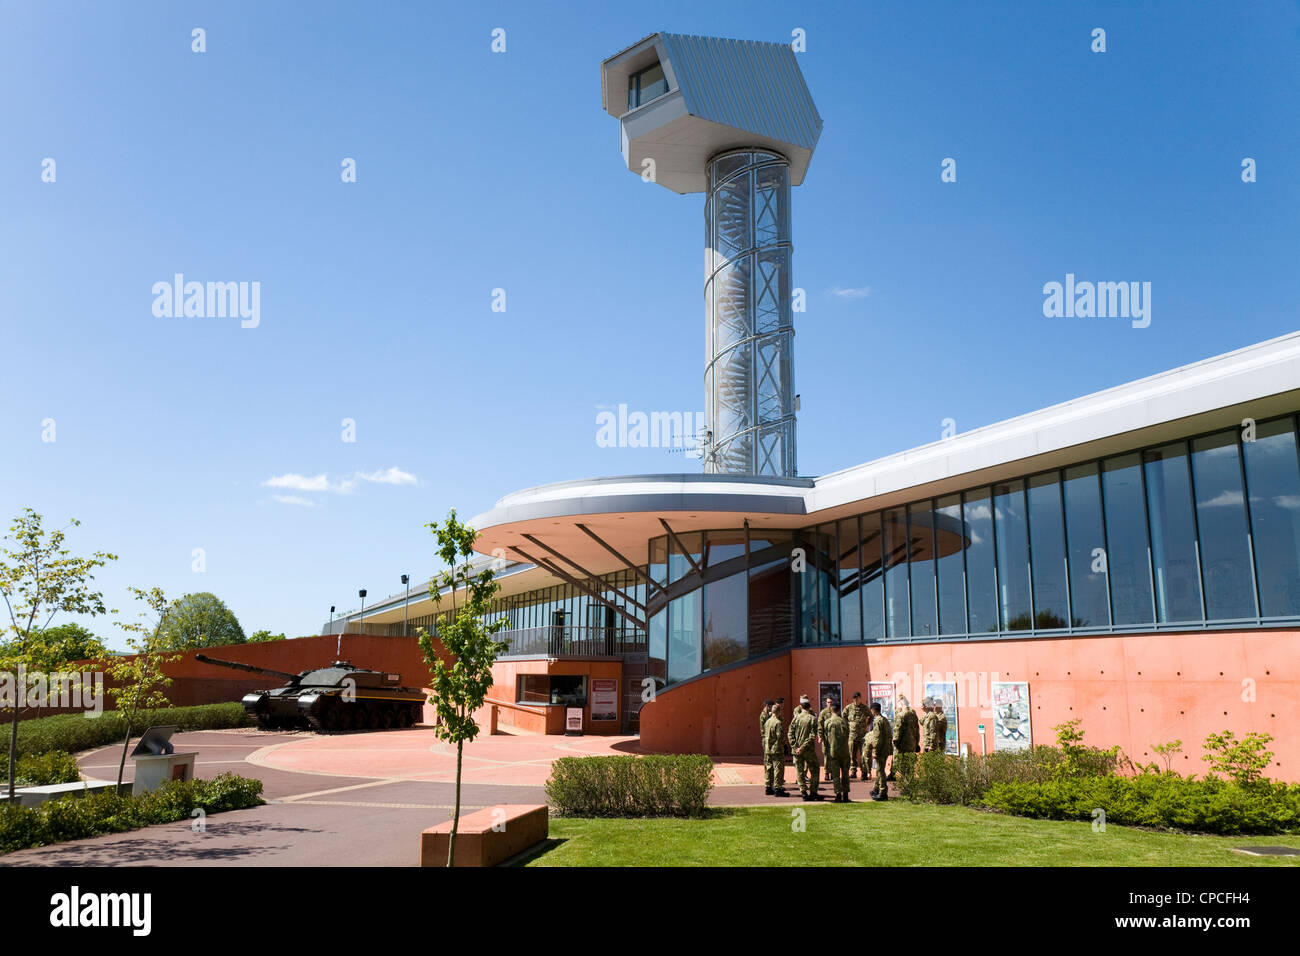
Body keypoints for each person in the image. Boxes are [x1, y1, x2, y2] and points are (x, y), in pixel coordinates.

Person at [788, 695, 823, 801]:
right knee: (815, 769)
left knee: (799, 771)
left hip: (797, 750)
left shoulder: (795, 718)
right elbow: (812, 736)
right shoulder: (812, 719)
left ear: (801, 706)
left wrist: (795, 746)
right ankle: (813, 792)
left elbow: (790, 733)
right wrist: (802, 747)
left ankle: (803, 792)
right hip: (808, 750)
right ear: (809, 706)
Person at [823, 701, 851, 802]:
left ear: (831, 710)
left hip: (833, 751)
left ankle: (838, 795)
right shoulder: (844, 722)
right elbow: (848, 734)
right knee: (845, 773)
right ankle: (846, 795)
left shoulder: (827, 722)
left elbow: (824, 737)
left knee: (835, 774)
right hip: (844, 751)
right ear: (839, 710)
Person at [866, 702, 892, 800]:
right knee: (879, 769)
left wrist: (875, 751)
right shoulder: (884, 720)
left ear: (873, 710)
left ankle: (883, 792)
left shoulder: (877, 721)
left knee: (880, 771)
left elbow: (877, 738)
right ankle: (876, 789)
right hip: (885, 748)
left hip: (880, 749)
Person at [890, 694, 920, 779]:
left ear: (901, 704)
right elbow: (917, 729)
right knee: (909, 765)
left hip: (902, 744)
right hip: (912, 743)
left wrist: (895, 742)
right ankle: (910, 781)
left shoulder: (901, 715)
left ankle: (905, 783)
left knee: (901, 764)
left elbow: (897, 730)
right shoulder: (913, 714)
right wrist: (917, 742)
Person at [763, 702, 789, 797]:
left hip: (768, 749)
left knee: (769, 768)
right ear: (779, 712)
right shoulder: (777, 723)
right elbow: (780, 736)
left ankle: (768, 787)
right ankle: (778, 788)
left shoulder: (767, 722)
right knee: (778, 768)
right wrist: (785, 744)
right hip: (776, 749)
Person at [843, 692, 869, 779]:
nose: (855, 700)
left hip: (862, 736)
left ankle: (864, 772)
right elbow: (843, 716)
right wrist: (847, 726)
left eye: (857, 699)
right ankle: (853, 771)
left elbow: (871, 716)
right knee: (852, 755)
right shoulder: (849, 708)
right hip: (852, 736)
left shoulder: (865, 708)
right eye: (854, 699)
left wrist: (867, 724)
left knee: (863, 754)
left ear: (860, 698)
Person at [817, 695, 835, 781]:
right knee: (827, 756)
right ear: (826, 703)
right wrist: (820, 736)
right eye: (828, 702)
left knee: (834, 755)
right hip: (826, 737)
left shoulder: (836, 712)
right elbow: (820, 725)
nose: (830, 704)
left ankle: (833, 773)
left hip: (834, 738)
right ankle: (827, 773)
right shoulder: (823, 713)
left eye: (831, 702)